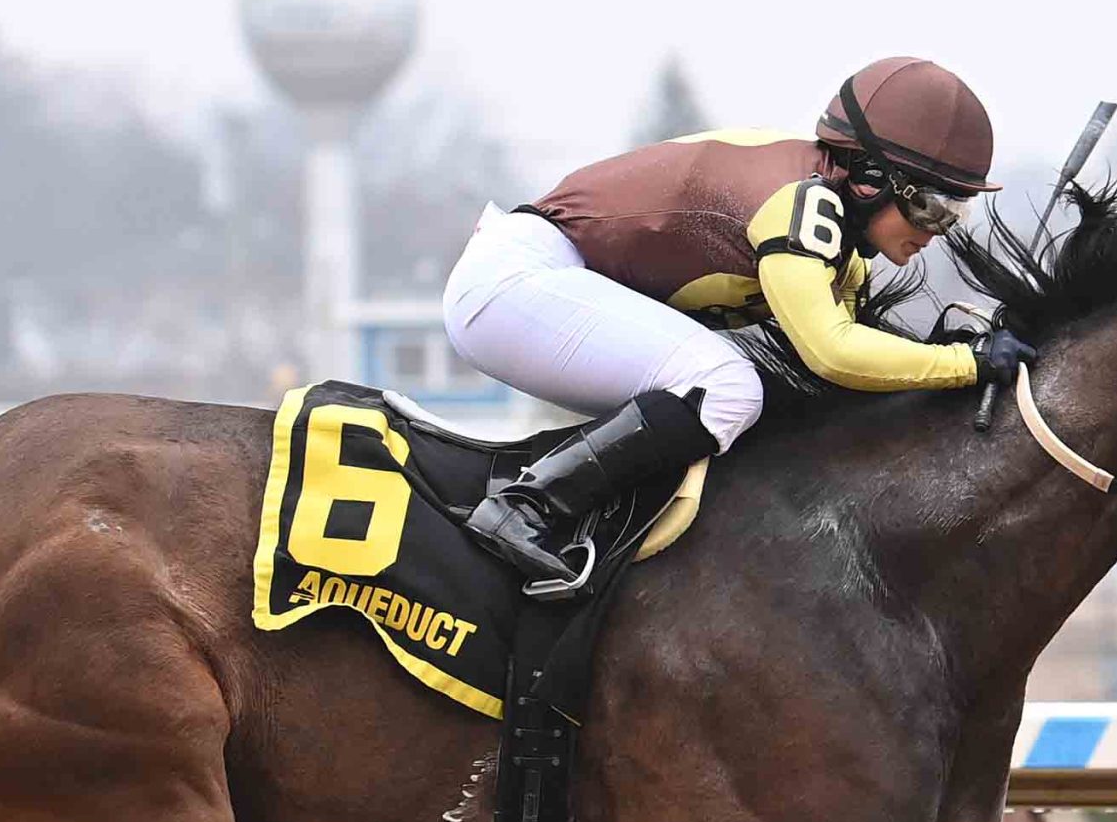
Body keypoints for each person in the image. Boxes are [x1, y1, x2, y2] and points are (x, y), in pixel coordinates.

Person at [444, 56, 1038, 585]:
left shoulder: (833, 233)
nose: (936, 232)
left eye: (955, 213)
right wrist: (967, 363)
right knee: (726, 386)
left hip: (541, 279)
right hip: (516, 281)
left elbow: (848, 371)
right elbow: (831, 353)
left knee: (730, 388)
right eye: (930, 206)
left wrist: (944, 356)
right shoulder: (803, 204)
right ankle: (529, 507)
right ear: (869, 180)